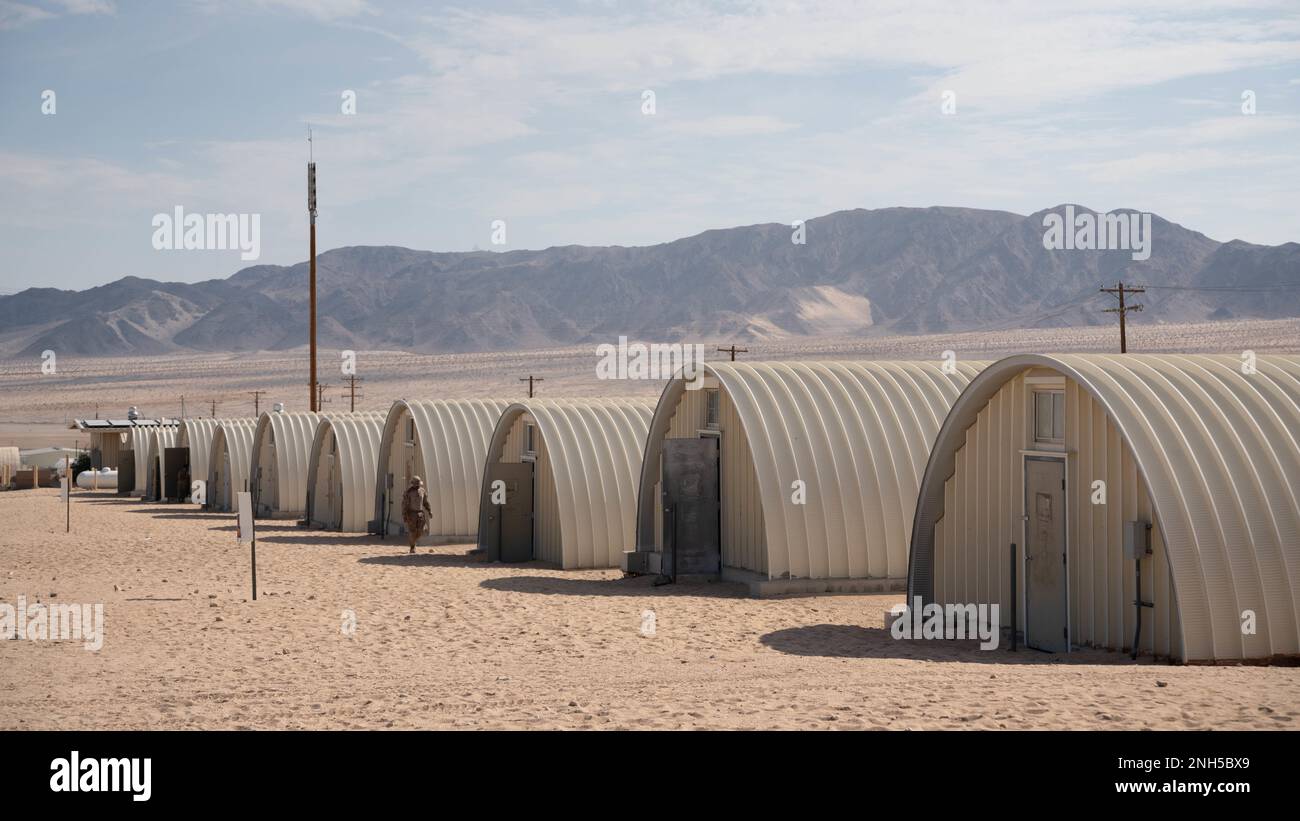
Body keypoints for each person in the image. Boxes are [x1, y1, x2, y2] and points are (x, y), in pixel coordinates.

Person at [401, 475, 432, 554]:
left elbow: (425, 502)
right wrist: (404, 514)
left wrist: (429, 511)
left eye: (418, 483)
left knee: (421, 530)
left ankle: (414, 541)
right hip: (411, 514)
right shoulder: (408, 492)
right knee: (412, 531)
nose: (417, 485)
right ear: (413, 483)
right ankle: (412, 547)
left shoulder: (422, 491)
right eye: (415, 483)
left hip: (420, 513)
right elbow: (404, 504)